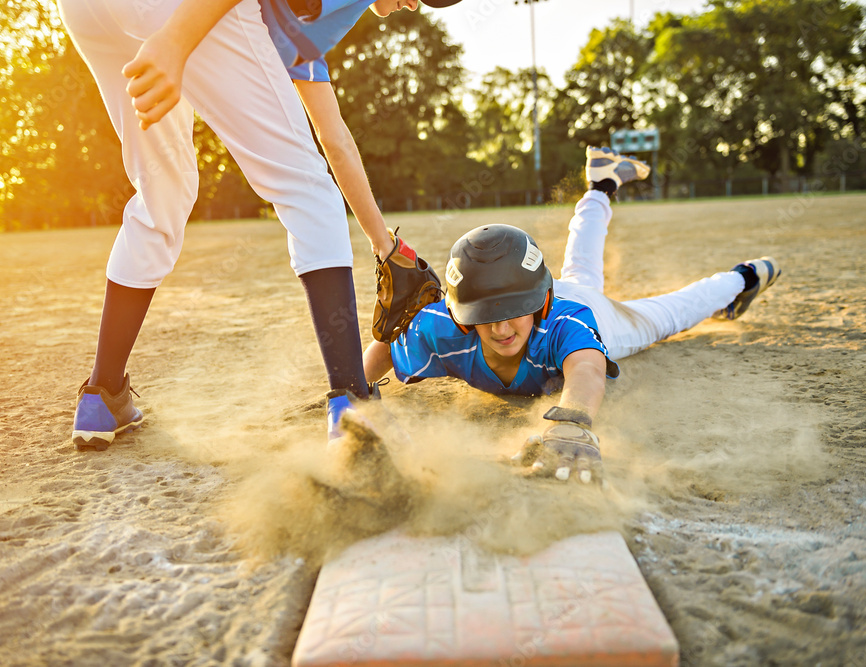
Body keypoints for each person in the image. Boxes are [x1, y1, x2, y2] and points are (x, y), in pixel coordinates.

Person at [63, 0, 462, 450]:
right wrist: (176, 38)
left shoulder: (301, 33)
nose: (414, 4)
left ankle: (102, 394)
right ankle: (353, 407)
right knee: (307, 192)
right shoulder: (295, 28)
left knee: (161, 193)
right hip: (173, 11)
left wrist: (384, 244)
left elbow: (336, 139)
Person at [362, 146, 782, 484]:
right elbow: (385, 345)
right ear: (462, 317)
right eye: (486, 317)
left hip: (589, 309)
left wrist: (574, 419)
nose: (502, 327)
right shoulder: (444, 327)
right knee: (581, 266)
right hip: (538, 288)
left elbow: (586, 369)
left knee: (667, 316)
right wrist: (352, 389)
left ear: (540, 303)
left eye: (513, 313)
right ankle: (601, 184)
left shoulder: (566, 322)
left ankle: (744, 276)